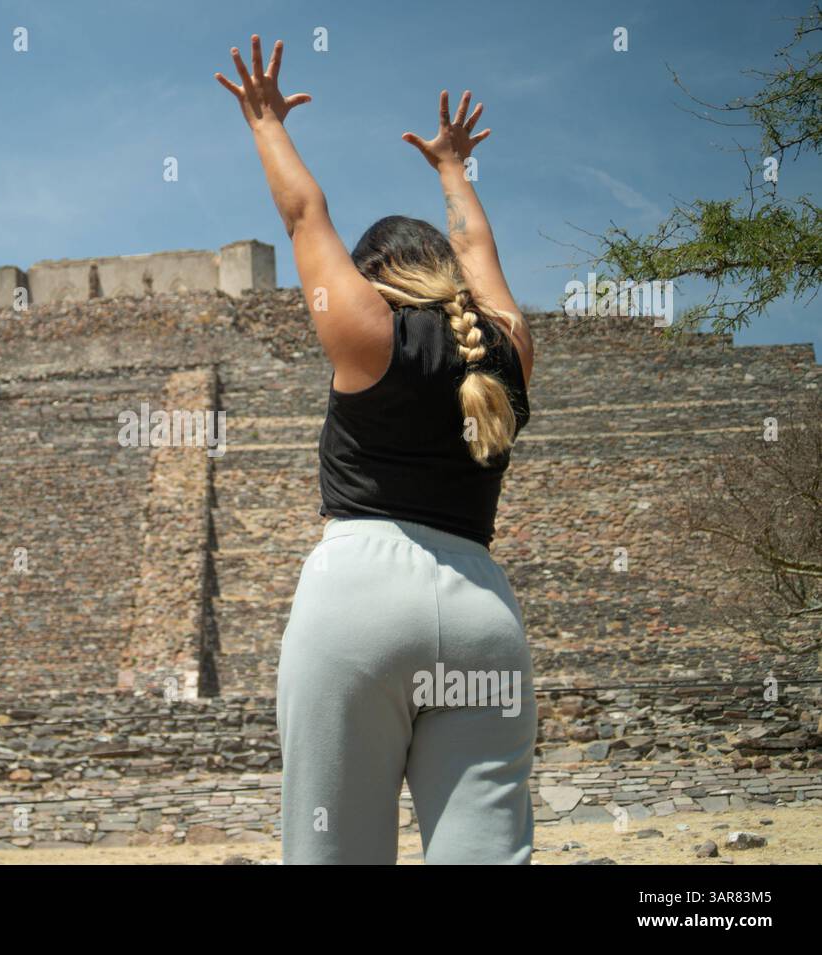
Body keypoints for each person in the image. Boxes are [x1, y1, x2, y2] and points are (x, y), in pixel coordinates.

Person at [215, 35, 538, 864]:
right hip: (481, 616)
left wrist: (265, 121)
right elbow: (479, 255)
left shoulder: (363, 334)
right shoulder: (506, 350)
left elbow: (302, 214)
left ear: (371, 279)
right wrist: (454, 171)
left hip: (357, 601)